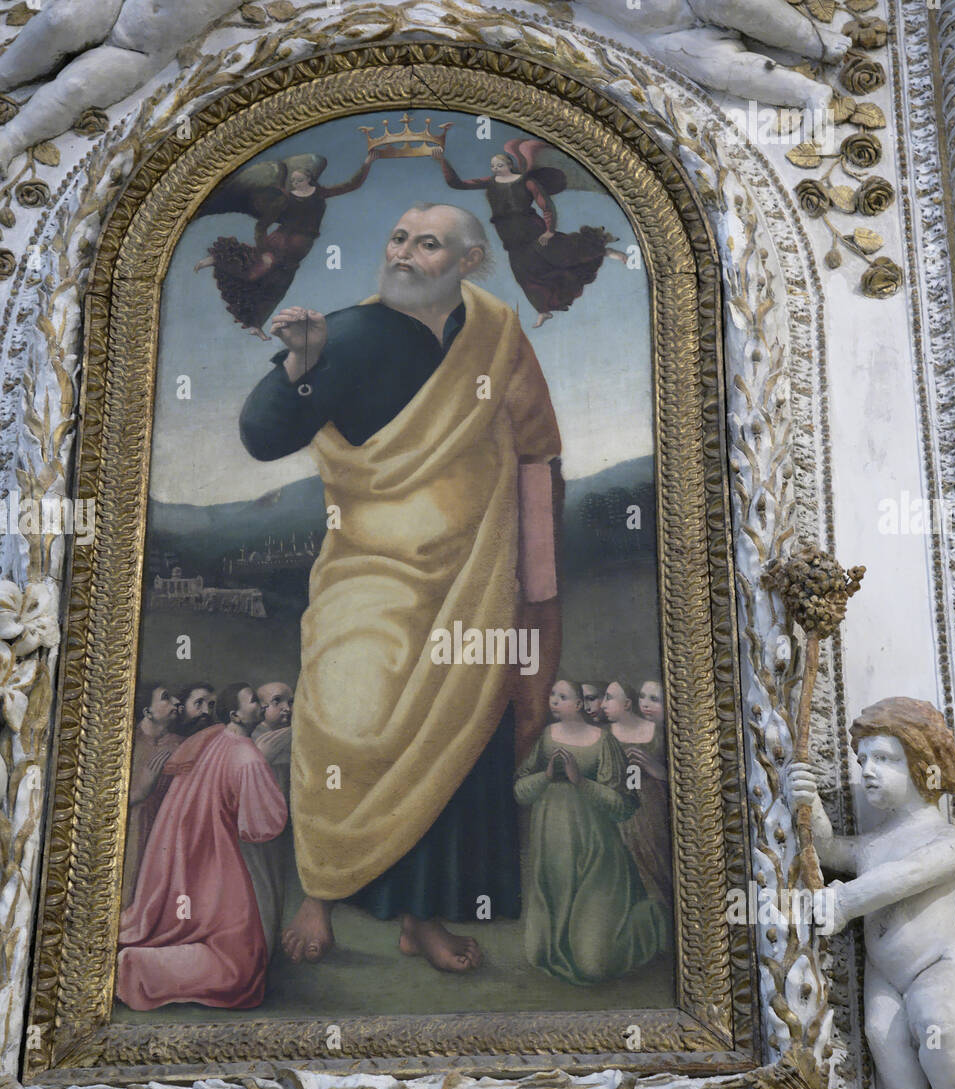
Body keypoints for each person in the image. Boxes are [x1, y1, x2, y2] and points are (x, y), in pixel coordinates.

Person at [240, 203, 562, 973]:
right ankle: (318, 894)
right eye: (397, 237)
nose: (406, 252)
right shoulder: (343, 334)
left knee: (455, 736)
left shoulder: (496, 333)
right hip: (371, 574)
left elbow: (537, 453)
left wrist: (540, 581)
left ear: (468, 260)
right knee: (344, 719)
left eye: (427, 243)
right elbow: (262, 435)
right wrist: (299, 368)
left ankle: (422, 916)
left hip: (474, 577)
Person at [790, 698, 955, 1089]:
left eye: (884, 759)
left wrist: (844, 902)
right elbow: (830, 851)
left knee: (938, 1022)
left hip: (937, 965)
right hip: (884, 975)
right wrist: (807, 800)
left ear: (925, 767)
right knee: (886, 1047)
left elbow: (902, 877)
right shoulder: (872, 844)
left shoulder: (952, 841)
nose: (867, 769)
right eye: (862, 759)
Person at [117, 682, 288, 1010]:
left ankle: (148, 955)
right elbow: (260, 827)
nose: (261, 706)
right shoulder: (246, 755)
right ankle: (140, 968)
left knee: (201, 927)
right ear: (236, 712)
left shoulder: (213, 738)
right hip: (217, 856)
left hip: (190, 851)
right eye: (255, 701)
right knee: (242, 970)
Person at [514, 679, 669, 985]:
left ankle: (654, 920)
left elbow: (624, 805)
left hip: (598, 858)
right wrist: (545, 776)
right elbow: (519, 790)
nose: (554, 700)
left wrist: (580, 781)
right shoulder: (546, 738)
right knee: (538, 953)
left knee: (594, 964)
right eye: (552, 694)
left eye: (563, 696)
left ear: (580, 705)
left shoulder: (602, 741)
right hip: (552, 856)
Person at [437, 143, 627, 328]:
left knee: (563, 253)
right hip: (509, 235)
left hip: (530, 228)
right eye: (493, 166)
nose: (496, 169)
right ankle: (543, 310)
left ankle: (605, 251)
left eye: (500, 165)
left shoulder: (526, 181)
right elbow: (457, 184)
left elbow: (546, 205)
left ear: (510, 165)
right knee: (525, 274)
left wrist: (549, 230)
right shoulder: (490, 182)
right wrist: (442, 161)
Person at [194, 153, 376, 339]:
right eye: (294, 180)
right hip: (280, 243)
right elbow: (261, 226)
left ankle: (255, 324)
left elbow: (352, 185)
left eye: (299, 180)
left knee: (277, 288)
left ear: (309, 180)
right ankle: (218, 259)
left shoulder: (320, 194)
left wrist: (367, 163)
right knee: (252, 274)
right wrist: (264, 251)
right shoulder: (285, 200)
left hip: (300, 249)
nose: (296, 183)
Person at [608, 676, 674, 913]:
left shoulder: (669, 736)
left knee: (657, 862)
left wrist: (660, 772)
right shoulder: (627, 731)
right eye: (643, 697)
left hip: (654, 809)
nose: (646, 704)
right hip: (626, 809)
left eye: (654, 699)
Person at [243, 680, 295, 954]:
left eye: (290, 702)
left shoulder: (282, 734)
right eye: (277, 702)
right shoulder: (259, 737)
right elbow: (264, 751)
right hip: (256, 827)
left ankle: (269, 947)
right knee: (259, 887)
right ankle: (259, 947)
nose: (287, 708)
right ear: (262, 707)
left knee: (276, 885)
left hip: (278, 825)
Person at [121, 681, 183, 908]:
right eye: (166, 697)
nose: (176, 702)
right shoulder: (126, 742)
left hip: (166, 830)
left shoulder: (180, 745)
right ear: (147, 711)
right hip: (134, 830)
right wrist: (142, 790)